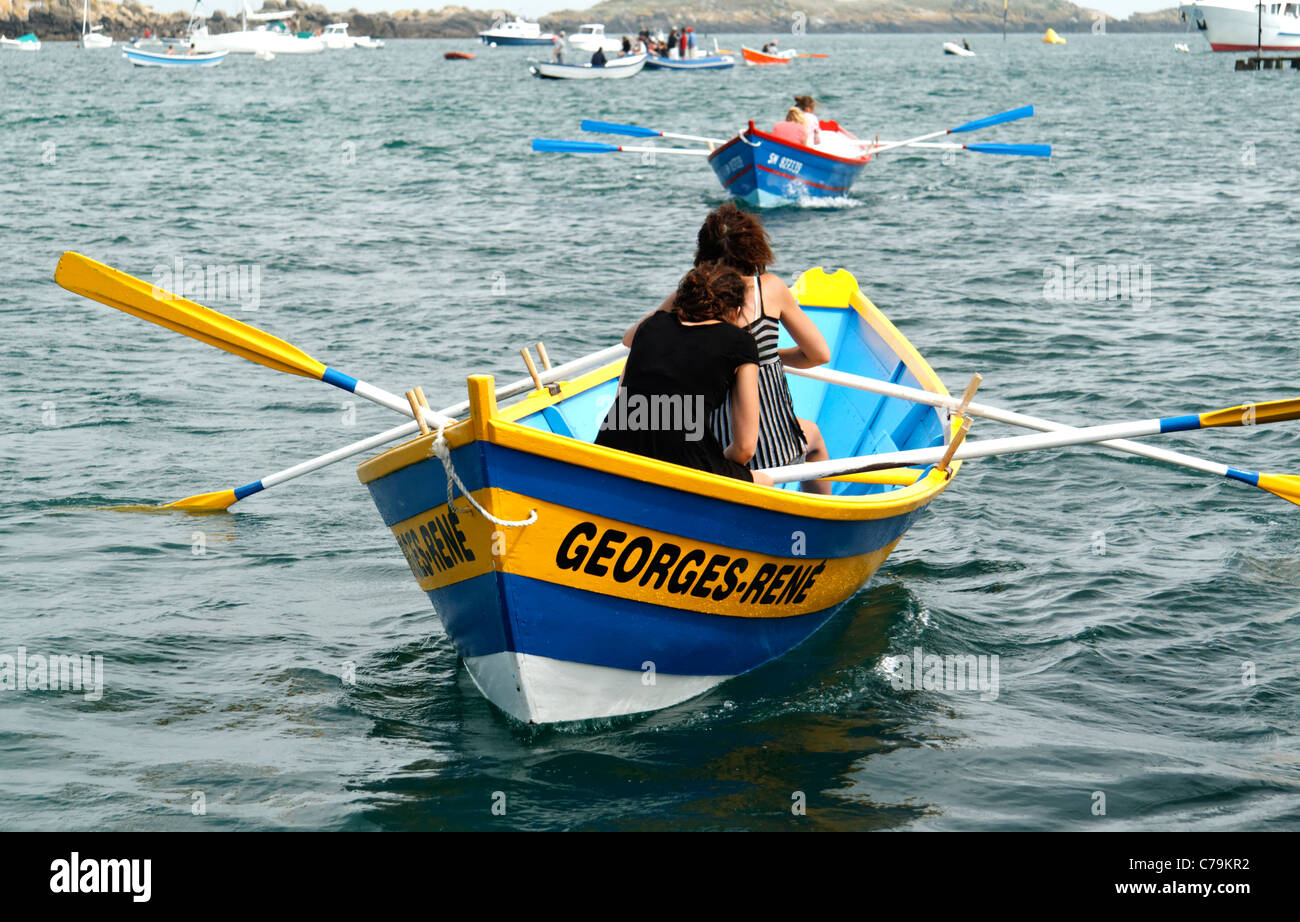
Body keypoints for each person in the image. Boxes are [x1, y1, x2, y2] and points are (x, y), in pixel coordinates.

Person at [622, 204, 833, 493]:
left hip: (706, 447)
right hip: (771, 449)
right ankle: (816, 514)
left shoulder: (689, 299)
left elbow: (631, 339)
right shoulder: (769, 289)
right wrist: (770, 358)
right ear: (754, 250)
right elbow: (819, 354)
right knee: (815, 439)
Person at [597, 263, 770, 486]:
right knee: (764, 481)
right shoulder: (739, 342)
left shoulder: (650, 325)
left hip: (610, 449)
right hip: (684, 463)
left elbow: (627, 343)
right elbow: (745, 448)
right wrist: (718, 463)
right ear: (736, 310)